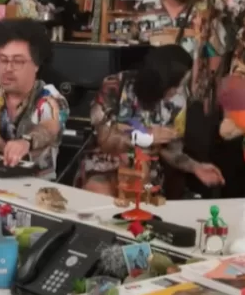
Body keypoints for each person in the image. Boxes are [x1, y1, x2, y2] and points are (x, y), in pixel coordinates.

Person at [78, 45, 225, 196]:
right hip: (103, 166)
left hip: (146, 173)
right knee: (99, 192)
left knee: (145, 197)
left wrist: (195, 167)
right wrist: (146, 136)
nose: (178, 90)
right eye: (175, 84)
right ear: (159, 81)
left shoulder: (176, 102)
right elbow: (105, 139)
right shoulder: (115, 85)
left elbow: (170, 151)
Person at [0, 21, 69, 179]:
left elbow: (49, 128)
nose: (8, 68)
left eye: (18, 61)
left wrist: (25, 143)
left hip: (34, 187)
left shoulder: (50, 99)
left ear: (36, 65)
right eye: (3, 60)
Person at [128, 0, 220, 102]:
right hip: (152, 98)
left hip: (193, 99)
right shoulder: (144, 9)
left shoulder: (206, 11)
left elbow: (216, 55)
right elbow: (132, 54)